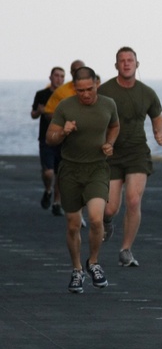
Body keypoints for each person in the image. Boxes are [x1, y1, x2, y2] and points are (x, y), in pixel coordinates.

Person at [44, 66, 119, 293]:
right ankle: (77, 269)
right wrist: (63, 132)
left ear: (97, 83)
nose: (85, 94)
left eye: (89, 89)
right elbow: (50, 139)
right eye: (80, 90)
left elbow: (114, 125)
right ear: (74, 88)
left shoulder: (108, 104)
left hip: (97, 169)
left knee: (96, 219)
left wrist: (109, 143)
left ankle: (93, 262)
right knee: (73, 224)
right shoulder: (65, 106)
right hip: (70, 171)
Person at [98, 47, 162, 268]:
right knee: (110, 208)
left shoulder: (147, 93)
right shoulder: (105, 91)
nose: (126, 63)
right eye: (122, 60)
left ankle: (125, 250)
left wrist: (159, 133)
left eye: (130, 60)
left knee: (134, 200)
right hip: (112, 153)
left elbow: (158, 118)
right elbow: (95, 119)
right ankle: (107, 221)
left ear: (137, 64)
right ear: (116, 65)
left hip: (137, 152)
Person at [41, 59, 86, 215]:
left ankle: (60, 203)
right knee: (54, 173)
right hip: (60, 139)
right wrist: (64, 122)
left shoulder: (94, 89)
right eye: (75, 70)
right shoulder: (61, 92)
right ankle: (51, 194)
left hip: (83, 141)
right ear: (71, 73)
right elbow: (48, 112)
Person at [31, 66, 65, 213]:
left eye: (62, 76)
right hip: (46, 139)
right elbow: (33, 114)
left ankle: (57, 203)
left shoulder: (67, 96)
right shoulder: (41, 94)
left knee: (61, 173)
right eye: (56, 75)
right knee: (48, 172)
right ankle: (48, 190)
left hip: (63, 140)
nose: (59, 78)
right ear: (50, 77)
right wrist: (39, 111)